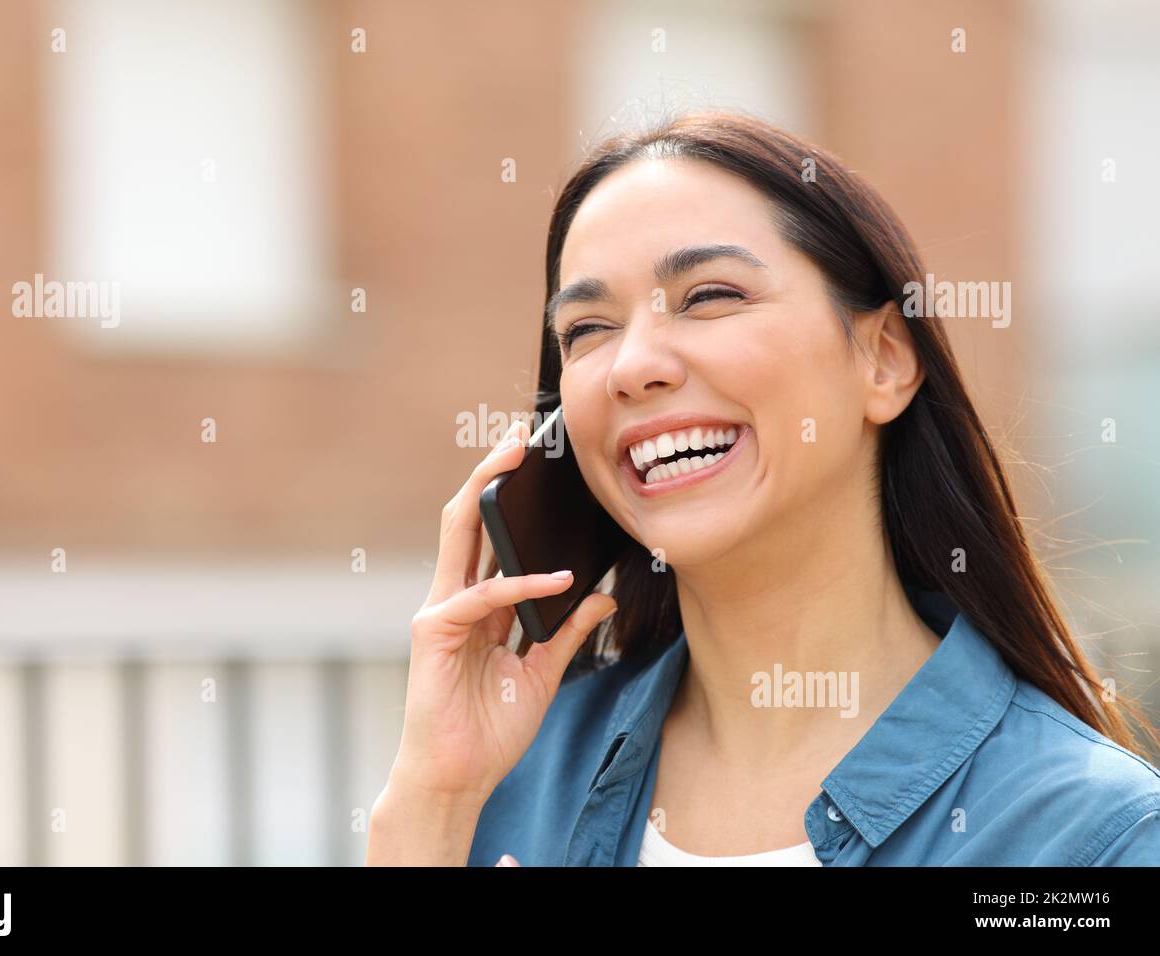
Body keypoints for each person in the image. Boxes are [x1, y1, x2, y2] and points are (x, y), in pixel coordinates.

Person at [365, 110, 1160, 866]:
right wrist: (432, 798)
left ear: (883, 357)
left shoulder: (1088, 836)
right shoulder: (501, 780)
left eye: (709, 297)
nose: (635, 365)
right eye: (587, 331)